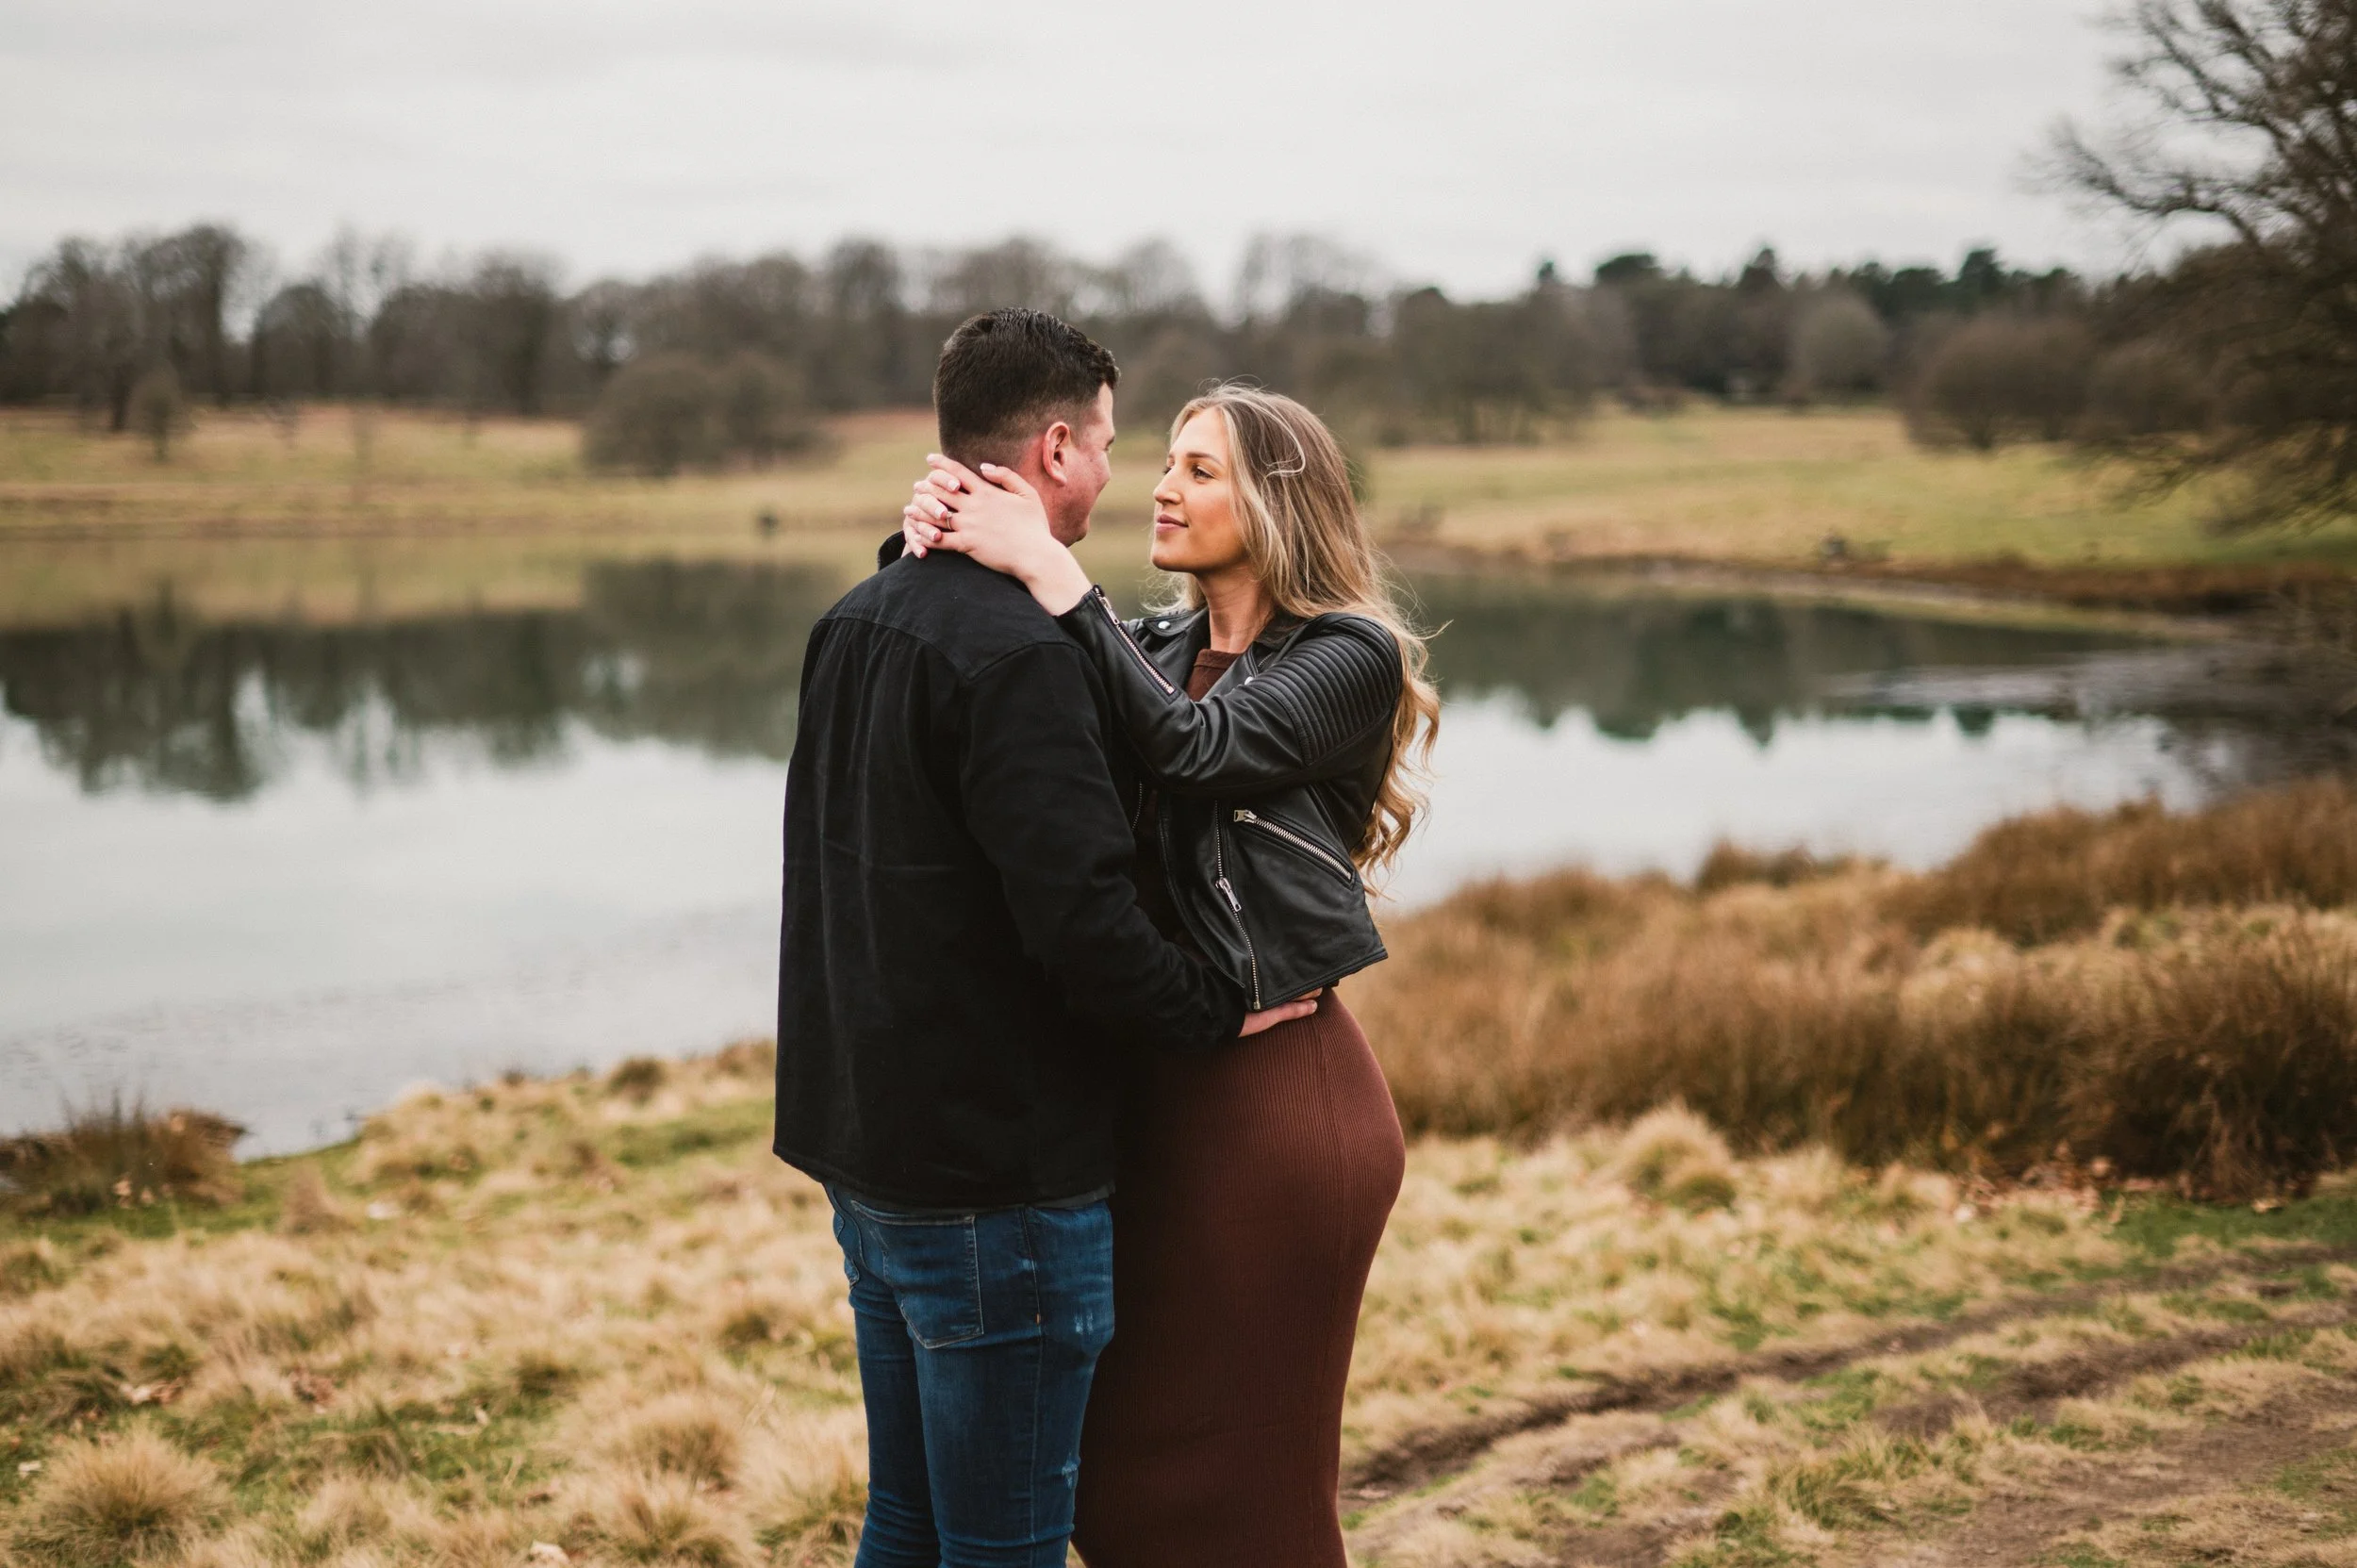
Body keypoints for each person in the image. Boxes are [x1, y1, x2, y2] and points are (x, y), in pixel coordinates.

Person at [773, 312, 1314, 1568]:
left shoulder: (858, 619)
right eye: (1117, 445)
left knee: (906, 1517)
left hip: (873, 1162)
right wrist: (1216, 1010)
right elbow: (1085, 924)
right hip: (998, 1188)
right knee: (1007, 1544)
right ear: (1058, 446)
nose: (1122, 476)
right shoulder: (1023, 658)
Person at [901, 382, 1441, 1567]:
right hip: (1160, 1093)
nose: (1160, 486)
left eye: (1201, 470)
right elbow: (1004, 678)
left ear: (1278, 500)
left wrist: (1054, 575)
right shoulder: (1149, 645)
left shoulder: (1346, 653)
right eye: (1162, 462)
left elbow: (1202, 748)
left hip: (1278, 1102)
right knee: (1119, 1482)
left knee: (1247, 1488)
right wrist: (931, 531)